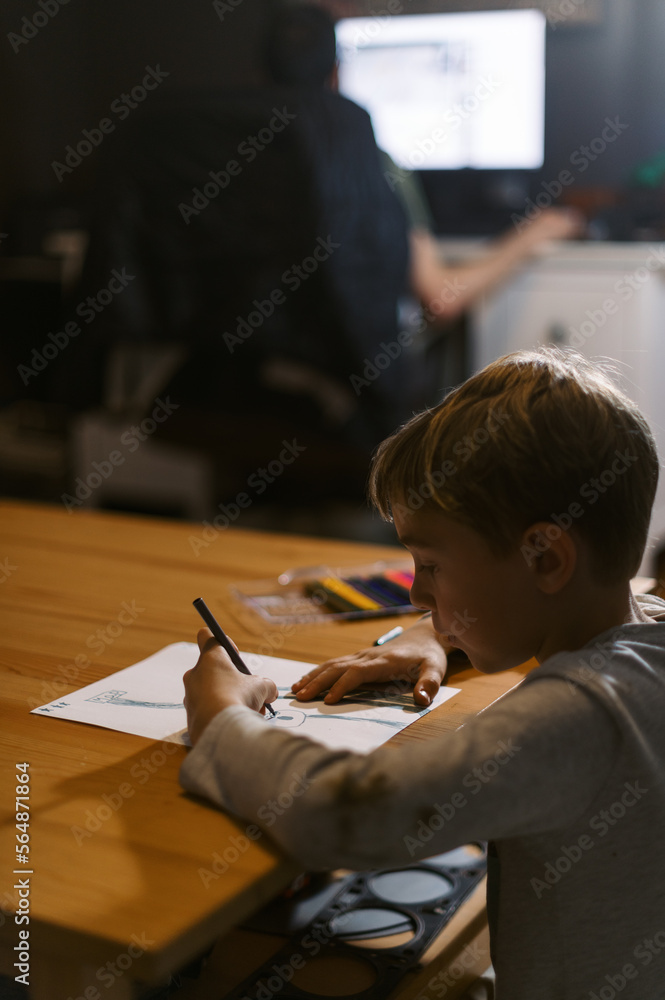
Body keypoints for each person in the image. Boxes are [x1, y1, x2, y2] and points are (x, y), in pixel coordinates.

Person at [180, 347, 665, 999]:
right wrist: (435, 636)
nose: (414, 593)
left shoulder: (577, 717)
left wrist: (222, 720)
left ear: (546, 558)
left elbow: (349, 815)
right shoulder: (643, 631)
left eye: (430, 565)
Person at [263, 4, 583, 325]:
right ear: (336, 73)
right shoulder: (371, 159)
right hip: (350, 368)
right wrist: (531, 235)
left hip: (256, 363)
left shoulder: (249, 154)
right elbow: (441, 299)